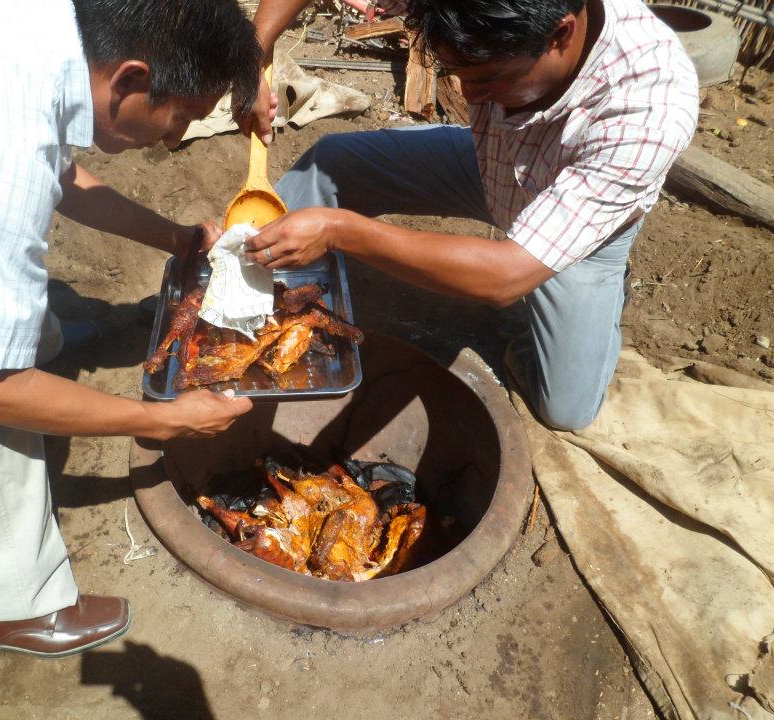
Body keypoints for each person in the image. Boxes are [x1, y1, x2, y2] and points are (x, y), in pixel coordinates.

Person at [0, 0, 260, 657]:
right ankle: (7, 605)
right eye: (180, 116)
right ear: (128, 80)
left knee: (19, 330)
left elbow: (58, 171)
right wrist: (166, 421)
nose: (176, 139)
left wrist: (174, 238)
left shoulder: (39, 31)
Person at [235, 0, 699, 431]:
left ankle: (600, 293)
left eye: (489, 78)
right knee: (333, 164)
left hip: (574, 225)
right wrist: (252, 59)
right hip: (489, 162)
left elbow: (504, 278)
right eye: (456, 72)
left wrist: (339, 230)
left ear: (561, 33)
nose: (469, 95)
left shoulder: (649, 106)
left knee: (566, 410)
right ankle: (236, 295)